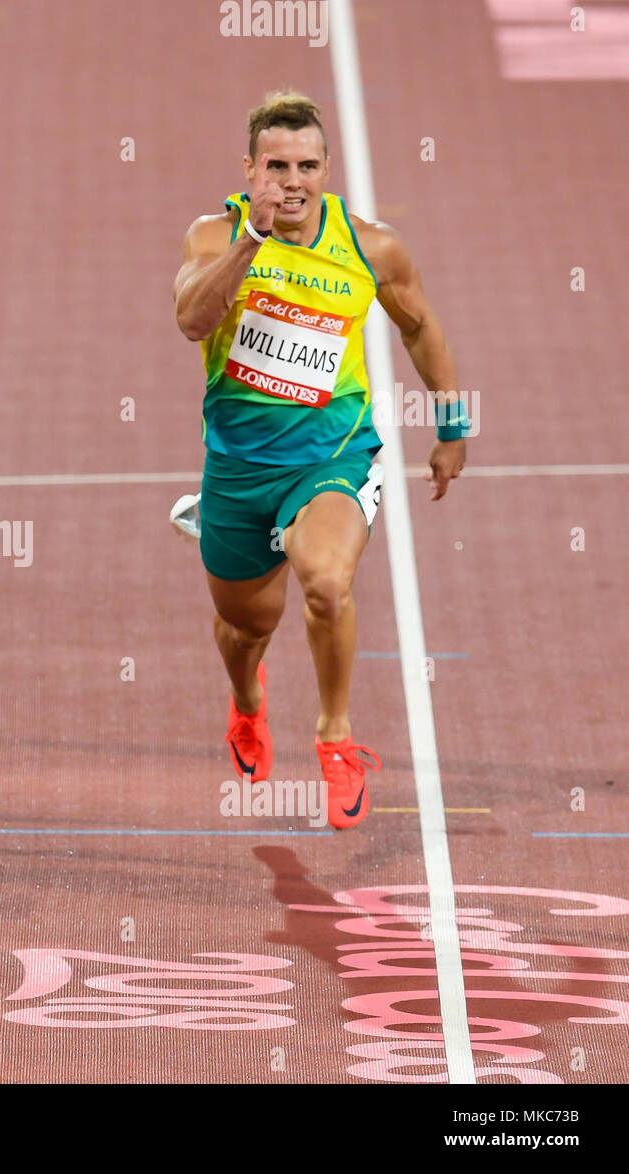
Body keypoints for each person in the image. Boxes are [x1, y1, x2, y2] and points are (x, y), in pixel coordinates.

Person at [171, 92, 467, 829]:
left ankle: (335, 737)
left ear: (327, 169)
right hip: (238, 470)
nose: (293, 181)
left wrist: (451, 422)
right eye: (277, 166)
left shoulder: (371, 246)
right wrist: (254, 241)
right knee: (246, 630)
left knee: (328, 585)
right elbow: (190, 320)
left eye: (307, 166)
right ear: (250, 170)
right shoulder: (216, 237)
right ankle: (247, 706)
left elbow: (420, 323)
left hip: (331, 455)